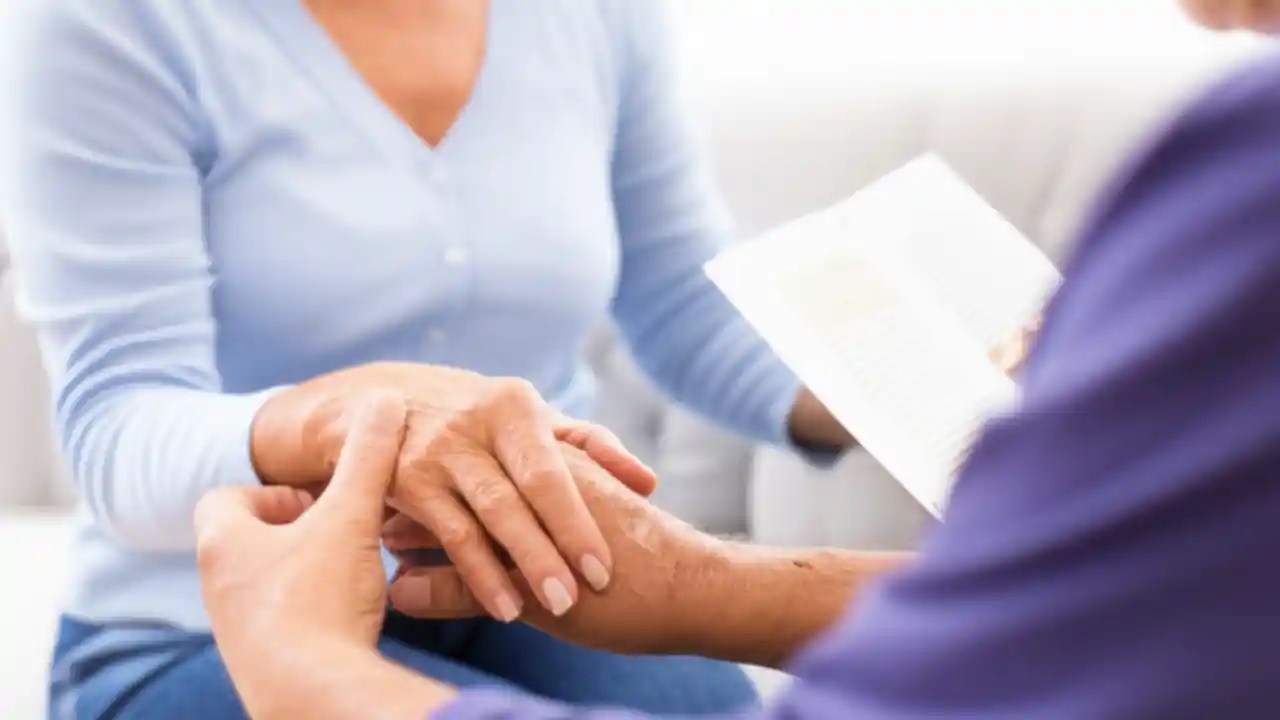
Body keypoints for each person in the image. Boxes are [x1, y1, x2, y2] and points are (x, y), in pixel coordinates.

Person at [193, 1, 1280, 717]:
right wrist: (701, 582)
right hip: (197, 606)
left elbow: (677, 296)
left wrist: (308, 673)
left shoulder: (1247, 175)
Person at [0, 0, 854, 717]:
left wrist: (910, 394)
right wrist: (352, 420)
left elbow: (682, 296)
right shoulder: (108, 22)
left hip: (533, 581)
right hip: (198, 624)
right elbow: (117, 426)